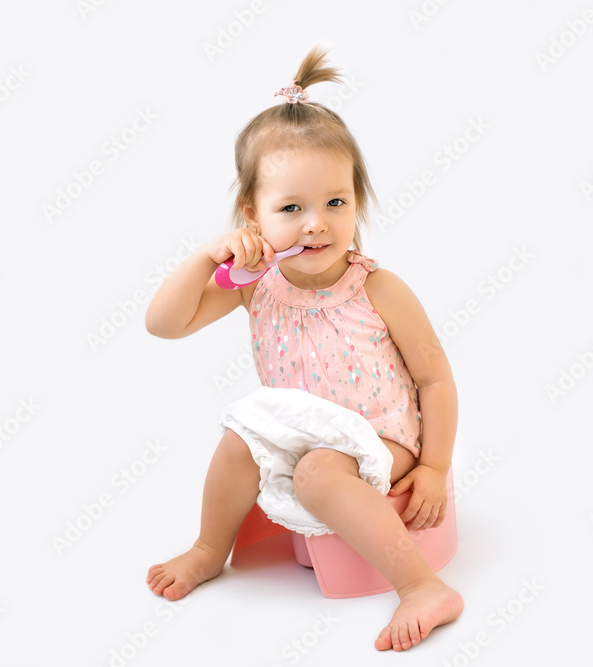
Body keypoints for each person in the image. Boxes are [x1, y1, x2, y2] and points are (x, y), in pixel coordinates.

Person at [143, 44, 463, 652]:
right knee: (239, 443)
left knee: (319, 472)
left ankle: (422, 586)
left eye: (335, 203)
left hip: (382, 437)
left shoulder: (378, 288)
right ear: (252, 217)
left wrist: (435, 466)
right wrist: (206, 258)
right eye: (291, 208)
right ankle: (211, 548)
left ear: (356, 202)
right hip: (301, 430)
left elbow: (435, 379)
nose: (316, 223)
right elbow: (165, 324)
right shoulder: (254, 287)